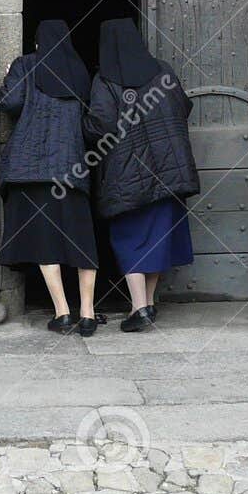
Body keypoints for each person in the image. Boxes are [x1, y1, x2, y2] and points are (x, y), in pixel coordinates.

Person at [86, 18, 199, 332]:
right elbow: (184, 106)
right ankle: (146, 303)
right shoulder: (163, 71)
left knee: (129, 240)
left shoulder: (105, 80)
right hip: (167, 169)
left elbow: (101, 124)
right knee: (156, 239)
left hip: (127, 174)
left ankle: (139, 307)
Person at [0, 19, 102, 336]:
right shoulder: (79, 73)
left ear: (38, 42)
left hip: (29, 171)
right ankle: (88, 313)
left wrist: (7, 79)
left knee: (45, 242)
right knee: (82, 240)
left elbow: (11, 103)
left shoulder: (25, 65)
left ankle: (62, 313)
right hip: (70, 169)